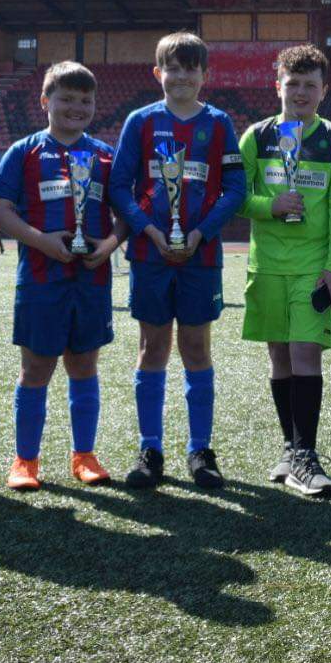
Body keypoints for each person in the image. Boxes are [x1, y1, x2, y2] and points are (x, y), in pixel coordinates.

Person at [108, 32, 245, 490]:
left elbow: (235, 189)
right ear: (157, 73)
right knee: (152, 349)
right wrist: (150, 230)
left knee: (196, 348)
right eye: (173, 67)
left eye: (190, 68)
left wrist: (201, 232)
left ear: (205, 75)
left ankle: (200, 450)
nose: (181, 75)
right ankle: (151, 449)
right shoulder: (140, 122)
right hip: (150, 255)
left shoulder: (219, 123)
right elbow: (119, 188)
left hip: (199, 257)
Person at [0, 62, 125, 491]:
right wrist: (42, 241)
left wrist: (108, 246)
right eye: (66, 98)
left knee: (84, 365)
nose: (76, 107)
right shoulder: (24, 152)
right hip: (41, 278)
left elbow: (127, 214)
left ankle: (84, 455)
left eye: (85, 100)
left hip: (92, 280)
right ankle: (25, 460)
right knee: (36, 369)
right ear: (45, 101)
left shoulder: (106, 155)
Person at [239, 44, 331, 497]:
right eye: (294, 83)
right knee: (279, 359)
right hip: (266, 267)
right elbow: (236, 197)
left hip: (312, 268)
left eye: (311, 85)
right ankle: (290, 448)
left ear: (323, 91)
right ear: (278, 86)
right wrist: (271, 206)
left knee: (306, 354)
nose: (301, 92)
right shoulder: (256, 136)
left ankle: (307, 456)